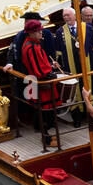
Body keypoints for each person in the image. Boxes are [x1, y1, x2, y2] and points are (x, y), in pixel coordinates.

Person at [19, 19, 60, 147]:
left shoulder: (32, 44)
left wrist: (49, 66)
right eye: (38, 31)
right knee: (44, 111)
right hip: (41, 82)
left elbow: (40, 62)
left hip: (38, 80)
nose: (41, 33)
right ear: (32, 33)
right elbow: (37, 67)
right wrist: (49, 72)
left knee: (42, 111)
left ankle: (45, 135)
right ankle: (46, 138)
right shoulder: (31, 47)